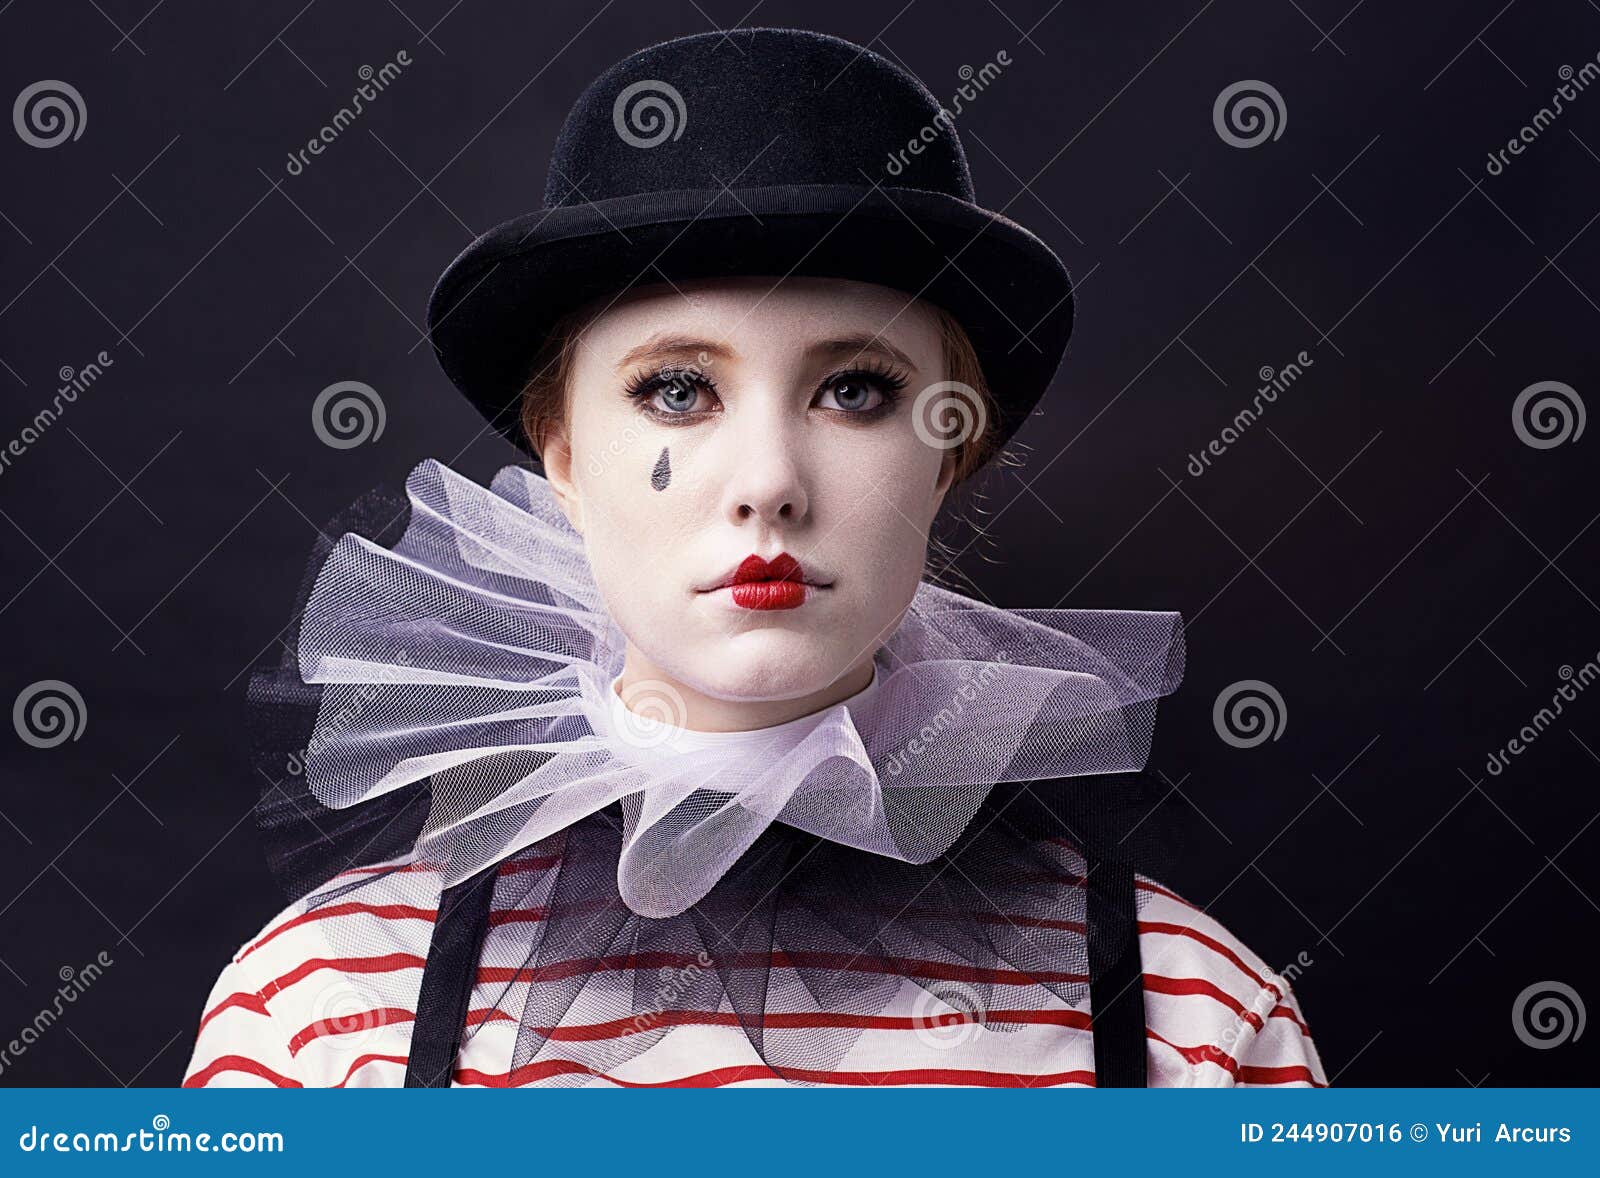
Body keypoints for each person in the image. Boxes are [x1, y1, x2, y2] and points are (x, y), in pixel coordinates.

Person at [183, 26, 1326, 1089]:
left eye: (856, 389)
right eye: (677, 389)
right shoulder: (326, 1005)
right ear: (566, 457)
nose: (767, 477)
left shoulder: (1193, 1014)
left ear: (948, 451)